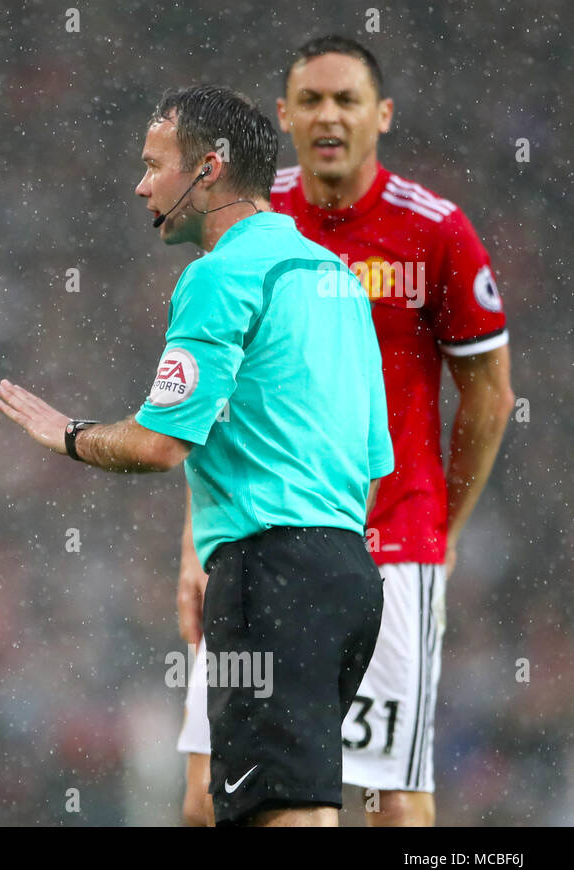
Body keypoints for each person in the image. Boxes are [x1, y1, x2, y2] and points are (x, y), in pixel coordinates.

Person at [0, 85, 392, 826]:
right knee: (254, 803)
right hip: (349, 577)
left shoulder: (218, 277)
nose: (140, 183)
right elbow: (371, 460)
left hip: (270, 575)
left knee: (284, 814)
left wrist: (68, 434)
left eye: (154, 165)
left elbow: (159, 443)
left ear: (209, 168)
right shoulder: (338, 280)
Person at [177, 36, 514, 828]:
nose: (329, 115)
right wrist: (191, 547)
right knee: (203, 799)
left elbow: (491, 399)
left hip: (390, 546)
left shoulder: (436, 233)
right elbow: (207, 401)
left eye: (348, 100)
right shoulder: (251, 222)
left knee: (392, 804)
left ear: (382, 115)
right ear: (285, 116)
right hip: (257, 540)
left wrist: (442, 525)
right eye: (312, 100)